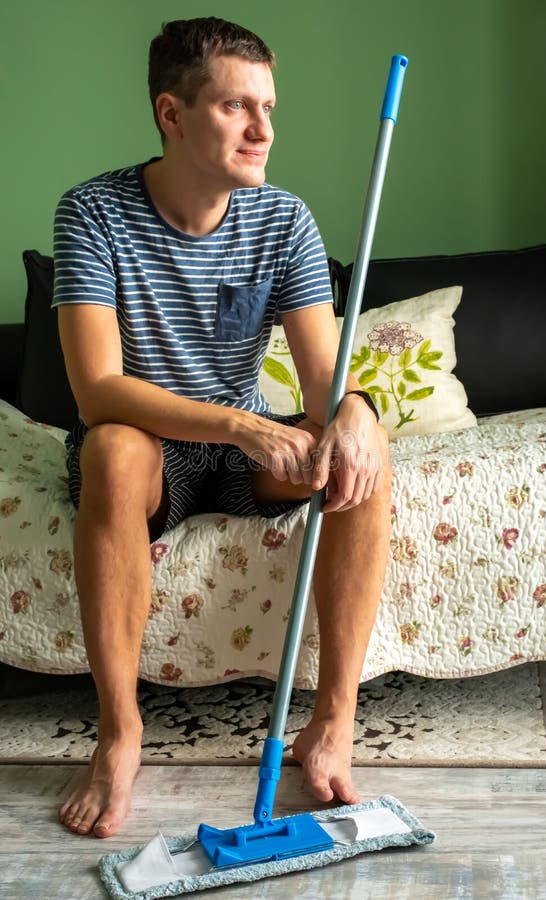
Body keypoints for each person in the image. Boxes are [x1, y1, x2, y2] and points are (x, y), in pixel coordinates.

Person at [52, 16, 392, 839]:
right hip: (150, 445)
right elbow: (98, 390)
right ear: (172, 114)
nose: (263, 129)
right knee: (113, 449)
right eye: (238, 107)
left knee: (356, 461)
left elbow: (321, 385)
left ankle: (332, 722)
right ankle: (120, 733)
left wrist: (355, 412)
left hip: (242, 453)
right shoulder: (93, 213)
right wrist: (238, 423)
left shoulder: (283, 222)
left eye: (268, 107)